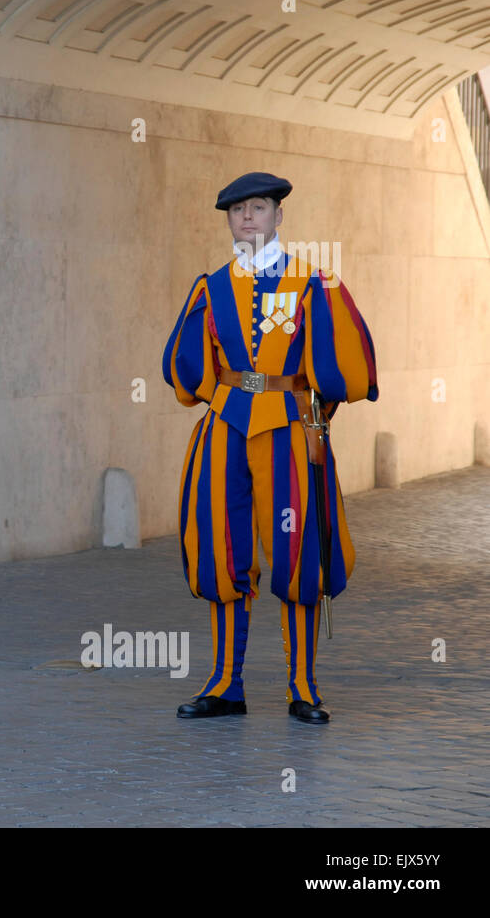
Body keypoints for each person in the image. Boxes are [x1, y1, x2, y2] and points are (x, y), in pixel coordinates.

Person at [162, 172, 379, 724]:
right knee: (222, 552)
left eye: (258, 208)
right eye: (237, 212)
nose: (247, 219)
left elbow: (343, 368)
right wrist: (222, 396)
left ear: (278, 215)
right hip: (225, 431)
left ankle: (303, 686)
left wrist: (315, 412)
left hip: (289, 430)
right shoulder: (210, 288)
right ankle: (224, 684)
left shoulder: (313, 283)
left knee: (299, 552)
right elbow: (187, 371)